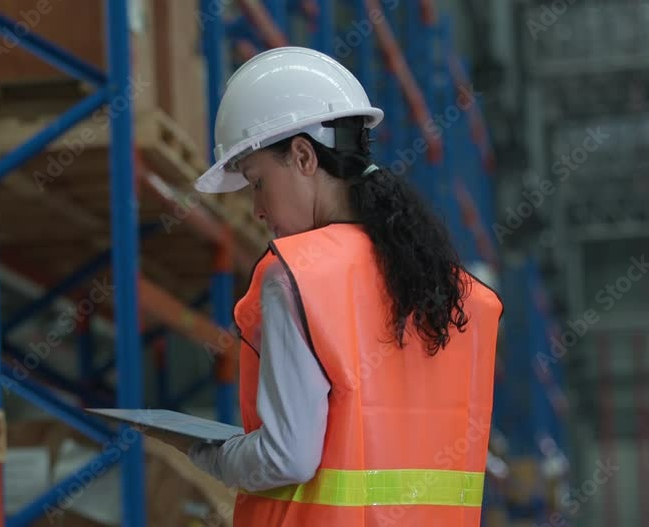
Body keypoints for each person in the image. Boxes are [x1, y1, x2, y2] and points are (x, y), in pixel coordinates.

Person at [183, 47, 504, 526]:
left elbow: (286, 457)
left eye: (257, 183)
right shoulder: (461, 295)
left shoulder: (295, 277)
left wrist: (213, 455)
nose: (258, 210)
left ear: (303, 156)